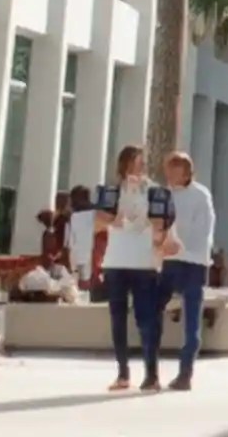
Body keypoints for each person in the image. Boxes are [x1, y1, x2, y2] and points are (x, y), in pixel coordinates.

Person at [95, 145, 167, 392]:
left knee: (146, 318)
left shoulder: (155, 190)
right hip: (116, 260)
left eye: (141, 162)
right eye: (134, 162)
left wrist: (146, 220)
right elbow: (98, 220)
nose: (138, 167)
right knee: (117, 318)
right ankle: (122, 372)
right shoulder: (112, 191)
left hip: (142, 261)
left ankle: (151, 373)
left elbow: (161, 221)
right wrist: (112, 219)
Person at [155, 151, 213, 391]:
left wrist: (180, 246)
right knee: (150, 311)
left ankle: (185, 373)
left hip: (193, 263)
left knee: (191, 322)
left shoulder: (201, 195)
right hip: (166, 263)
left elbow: (203, 231)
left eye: (173, 170)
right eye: (167, 169)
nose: (168, 175)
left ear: (186, 171)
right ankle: (151, 371)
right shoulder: (162, 194)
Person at [65, 185, 95, 289]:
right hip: (90, 256)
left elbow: (69, 242)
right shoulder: (95, 215)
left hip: (80, 256)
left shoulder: (72, 217)